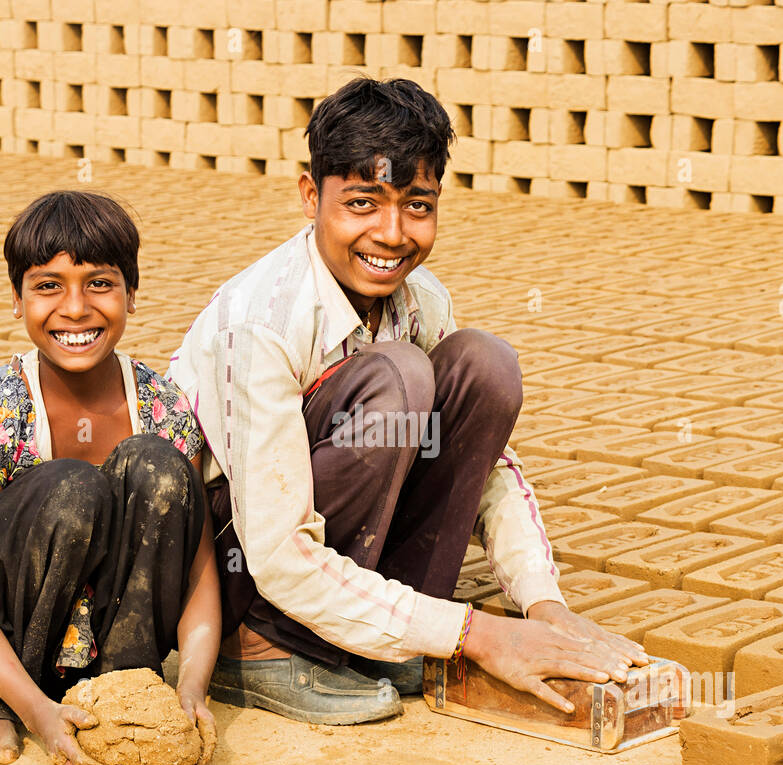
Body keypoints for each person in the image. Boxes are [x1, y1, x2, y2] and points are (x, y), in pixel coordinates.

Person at [168, 77, 647, 726]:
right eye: (362, 203)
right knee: (397, 381)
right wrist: (480, 634)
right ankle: (262, 648)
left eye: (416, 205)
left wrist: (542, 605)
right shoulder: (263, 323)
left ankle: (383, 633)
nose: (391, 234)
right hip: (229, 561)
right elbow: (278, 552)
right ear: (311, 196)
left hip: (324, 542)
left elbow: (490, 468)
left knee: (484, 366)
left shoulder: (423, 300)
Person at [0, 191, 220, 765]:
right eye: (48, 286)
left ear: (131, 294)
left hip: (104, 635)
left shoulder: (163, 406)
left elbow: (199, 576)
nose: (75, 309)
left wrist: (192, 689)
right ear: (17, 299)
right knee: (71, 488)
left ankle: (120, 682)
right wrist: (36, 715)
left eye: (99, 284)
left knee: (156, 465)